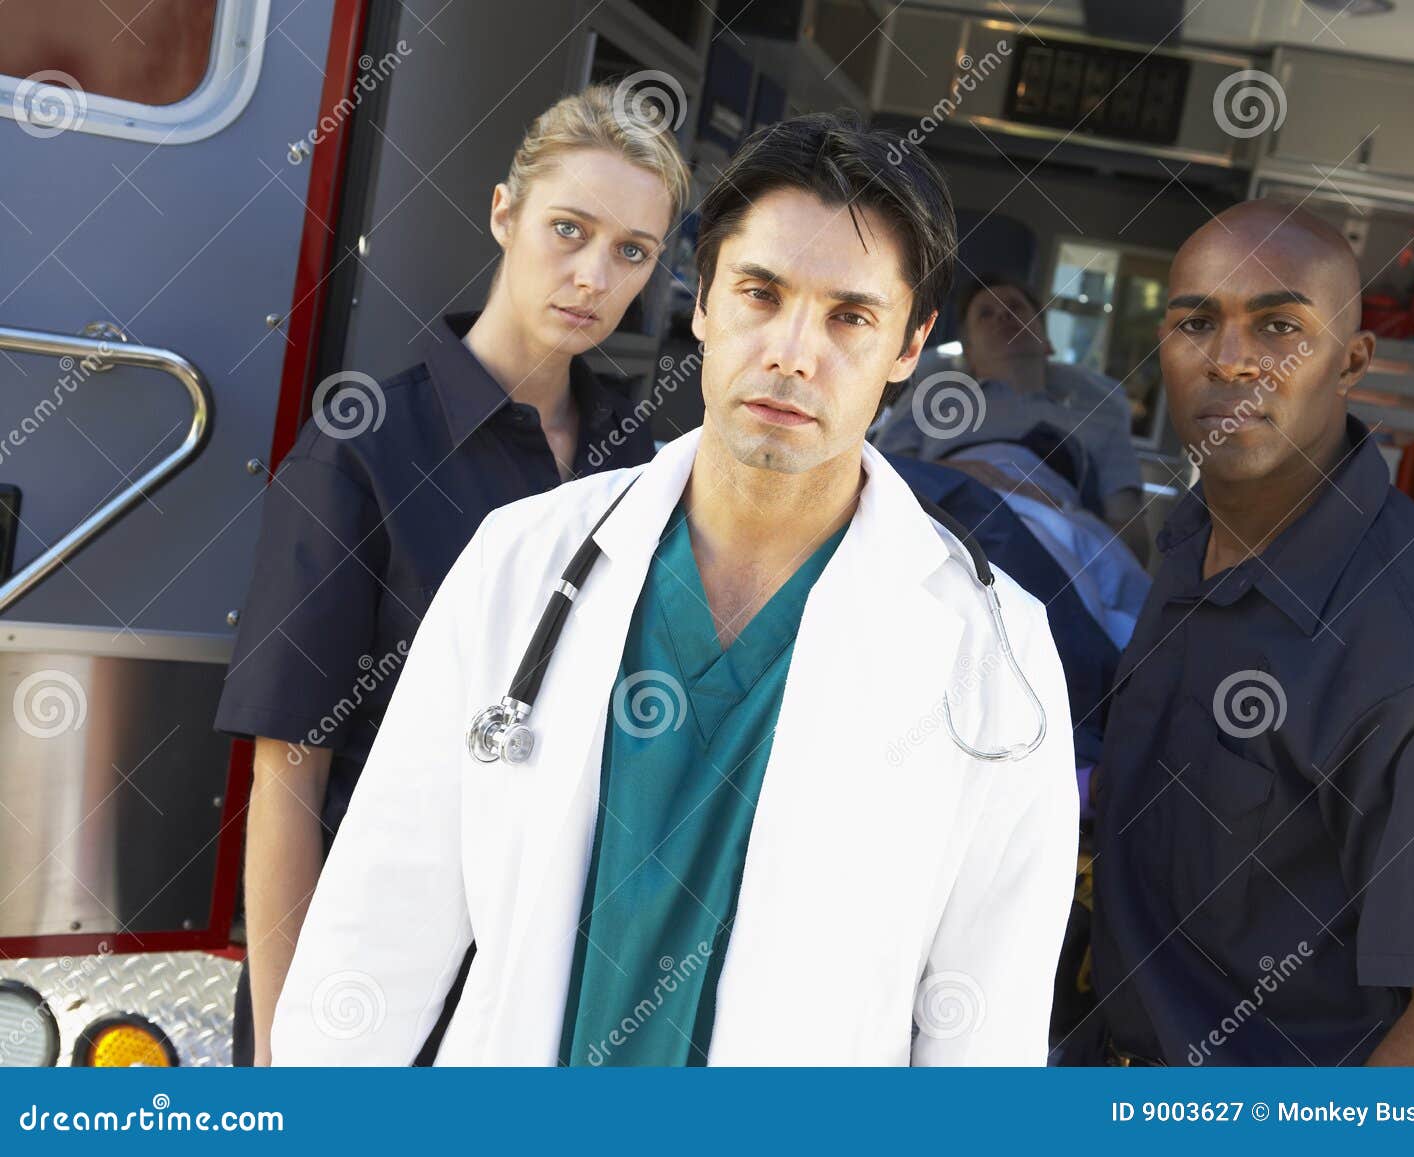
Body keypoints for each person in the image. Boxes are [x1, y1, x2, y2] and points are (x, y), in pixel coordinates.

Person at [270, 113, 1078, 1066]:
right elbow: (377, 928)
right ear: (702, 303)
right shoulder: (523, 560)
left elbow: (983, 1029)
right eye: (760, 293)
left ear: (910, 346)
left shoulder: (996, 653)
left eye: (849, 317)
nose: (791, 350)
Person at [212, 85, 689, 1066]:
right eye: (569, 228)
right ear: (504, 213)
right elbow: (287, 773)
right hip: (381, 980)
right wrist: (292, 1052)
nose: (594, 274)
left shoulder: (646, 465)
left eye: (631, 251)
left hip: (560, 985)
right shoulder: (363, 451)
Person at [1080, 200, 1414, 1066]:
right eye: (1197, 322)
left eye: (1279, 326)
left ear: (1353, 364)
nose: (1231, 360)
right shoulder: (1193, 538)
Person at [877, 274, 1152, 564]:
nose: (1003, 316)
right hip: (941, 515)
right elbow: (876, 476)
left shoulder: (1099, 413)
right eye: (986, 314)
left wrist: (1065, 515)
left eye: (1015, 307)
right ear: (969, 353)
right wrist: (947, 474)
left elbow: (1129, 538)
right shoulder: (932, 396)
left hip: (1055, 539)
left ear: (1046, 340)